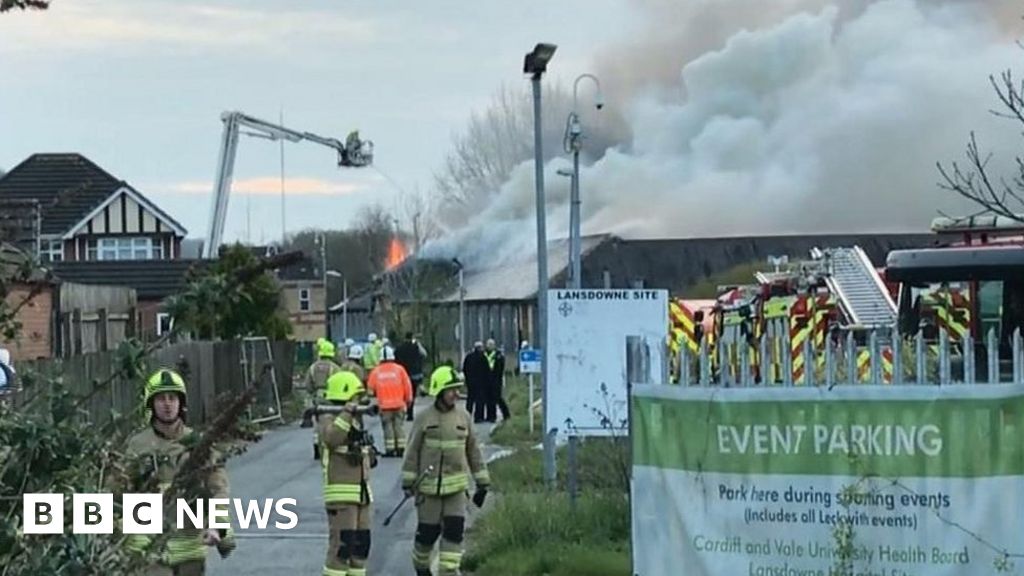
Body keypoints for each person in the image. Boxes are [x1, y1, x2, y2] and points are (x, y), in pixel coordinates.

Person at [114, 369, 235, 576]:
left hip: (191, 546)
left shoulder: (199, 444)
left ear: (181, 403)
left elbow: (219, 490)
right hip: (150, 548)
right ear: (151, 404)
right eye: (161, 399)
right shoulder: (136, 446)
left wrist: (218, 528)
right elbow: (117, 493)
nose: (168, 404)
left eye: (173, 398)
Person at [402, 361, 490, 576]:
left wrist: (483, 483)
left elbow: (474, 452)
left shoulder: (464, 418)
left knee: (453, 534)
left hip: (456, 492)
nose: (456, 394)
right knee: (427, 537)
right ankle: (422, 567)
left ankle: (448, 571)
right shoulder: (424, 418)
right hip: (428, 492)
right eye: (451, 390)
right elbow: (412, 451)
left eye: (457, 389)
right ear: (439, 391)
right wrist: (408, 482)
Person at [319, 369, 377, 576]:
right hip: (341, 497)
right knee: (342, 548)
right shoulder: (327, 418)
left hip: (361, 495)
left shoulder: (354, 420)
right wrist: (346, 413)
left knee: (361, 547)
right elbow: (332, 438)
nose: (359, 400)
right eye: (356, 396)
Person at [366, 346, 413, 457]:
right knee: (399, 426)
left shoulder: (376, 371)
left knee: (388, 427)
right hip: (399, 404)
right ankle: (401, 447)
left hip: (384, 406)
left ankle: (390, 449)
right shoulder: (400, 369)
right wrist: (408, 400)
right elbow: (407, 386)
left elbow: (370, 389)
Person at [395, 332, 428, 420]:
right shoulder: (415, 347)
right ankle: (410, 413)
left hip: (402, 374)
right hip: (414, 374)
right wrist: (418, 343)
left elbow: (395, 360)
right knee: (412, 394)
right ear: (412, 337)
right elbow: (424, 354)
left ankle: (403, 410)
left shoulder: (399, 348)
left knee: (402, 394)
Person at [483, 339, 511, 422]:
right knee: (488, 399)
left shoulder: (498, 355)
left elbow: (500, 367)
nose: (489, 346)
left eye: (491, 345)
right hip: (487, 379)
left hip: (496, 380)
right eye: (488, 345)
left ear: (494, 346)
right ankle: (490, 416)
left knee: (497, 398)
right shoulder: (484, 354)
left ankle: (506, 414)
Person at [461, 341, 487, 422]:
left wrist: (467, 378)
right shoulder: (483, 357)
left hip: (470, 382)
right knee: (480, 400)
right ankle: (478, 417)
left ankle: (467, 416)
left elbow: (464, 368)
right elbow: (486, 370)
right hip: (480, 382)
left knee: (470, 400)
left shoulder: (469, 357)